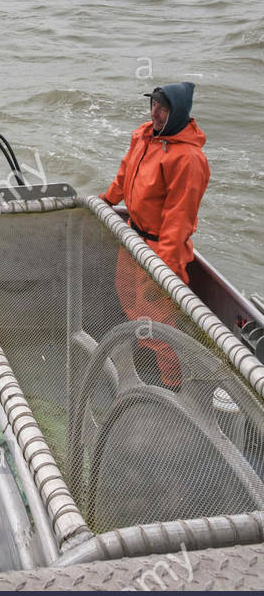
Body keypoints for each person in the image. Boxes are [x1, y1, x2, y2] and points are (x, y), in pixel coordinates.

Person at [101, 83, 210, 387]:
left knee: (158, 322)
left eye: (163, 109)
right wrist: (108, 200)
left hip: (160, 250)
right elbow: (125, 172)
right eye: (153, 106)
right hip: (132, 238)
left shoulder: (188, 159)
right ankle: (143, 364)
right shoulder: (144, 135)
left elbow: (179, 220)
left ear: (179, 113)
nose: (155, 113)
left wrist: (162, 270)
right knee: (128, 298)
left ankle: (173, 383)